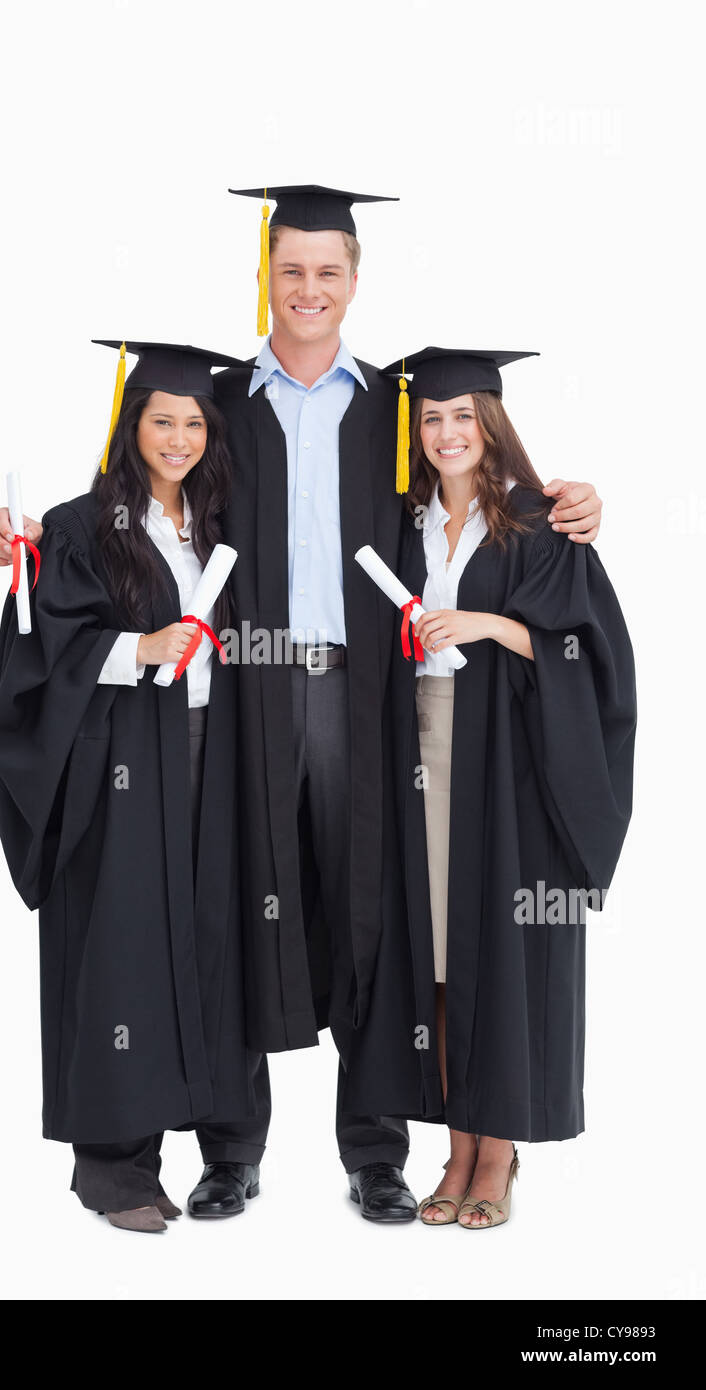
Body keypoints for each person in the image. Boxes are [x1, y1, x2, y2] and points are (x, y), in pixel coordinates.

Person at [0, 186, 605, 1222]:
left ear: (355, 279)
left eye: (328, 270)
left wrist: (575, 501)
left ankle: (374, 1150)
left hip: (374, 693)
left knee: (375, 906)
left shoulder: (396, 407)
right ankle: (232, 1148)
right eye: (289, 269)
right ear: (264, 274)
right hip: (241, 696)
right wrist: (13, 538)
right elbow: (136, 500)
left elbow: (475, 477)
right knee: (234, 896)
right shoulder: (218, 401)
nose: (307, 288)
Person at [345, 347, 635, 1228]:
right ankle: (455, 1139)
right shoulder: (401, 523)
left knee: (498, 942)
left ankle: (496, 1148)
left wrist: (489, 625)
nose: (446, 433)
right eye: (431, 418)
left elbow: (592, 656)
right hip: (418, 750)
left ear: (492, 424)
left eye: (463, 415)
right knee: (434, 941)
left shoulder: (542, 523)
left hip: (508, 758)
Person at [0, 342, 270, 1233]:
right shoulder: (77, 525)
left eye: (193, 423)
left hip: (217, 753)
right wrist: (137, 649)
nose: (179, 438)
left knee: (221, 936)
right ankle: (119, 1168)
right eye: (162, 421)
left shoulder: (223, 523)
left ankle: (233, 1151)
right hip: (121, 765)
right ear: (131, 425)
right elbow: (40, 653)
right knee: (123, 944)